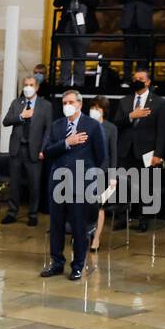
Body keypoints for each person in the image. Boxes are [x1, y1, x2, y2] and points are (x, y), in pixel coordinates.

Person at [41, 90, 106, 281]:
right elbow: (47, 151)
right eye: (64, 102)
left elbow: (101, 156)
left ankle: (78, 265)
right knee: (56, 226)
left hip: (81, 184)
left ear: (79, 104)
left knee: (79, 227)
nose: (66, 105)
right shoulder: (56, 126)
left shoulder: (92, 126)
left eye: (70, 102)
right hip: (58, 183)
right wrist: (67, 143)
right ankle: (57, 263)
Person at [113, 68, 165, 231]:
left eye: (141, 78)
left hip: (146, 150)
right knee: (122, 184)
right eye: (135, 77)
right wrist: (131, 116)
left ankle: (144, 219)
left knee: (146, 185)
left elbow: (162, 130)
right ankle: (122, 217)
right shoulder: (124, 101)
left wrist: (158, 154)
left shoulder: (158, 102)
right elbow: (116, 124)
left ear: (148, 81)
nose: (137, 80)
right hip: (125, 149)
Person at [1, 77, 52, 227]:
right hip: (17, 149)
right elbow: (6, 121)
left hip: (35, 150)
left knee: (34, 184)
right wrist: (21, 117)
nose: (27, 88)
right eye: (25, 85)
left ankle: (33, 214)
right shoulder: (17, 103)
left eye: (30, 85)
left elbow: (48, 130)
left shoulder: (46, 106)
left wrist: (43, 149)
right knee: (14, 183)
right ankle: (12, 212)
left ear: (37, 88)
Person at [119, 0, 160, 78]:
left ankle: (142, 79)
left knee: (144, 52)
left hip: (144, 20)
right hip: (129, 19)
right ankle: (126, 79)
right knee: (128, 52)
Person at [86, 96, 119, 252]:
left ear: (104, 111)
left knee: (99, 207)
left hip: (103, 173)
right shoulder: (84, 124)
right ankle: (83, 234)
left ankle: (96, 238)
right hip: (85, 171)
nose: (94, 111)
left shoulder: (111, 128)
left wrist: (112, 176)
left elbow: (113, 154)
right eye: (93, 108)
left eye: (98, 108)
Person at [52, 0, 96, 87]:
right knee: (65, 59)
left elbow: (94, 3)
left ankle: (79, 84)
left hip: (83, 31)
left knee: (80, 59)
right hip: (66, 31)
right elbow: (56, 3)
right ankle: (64, 83)